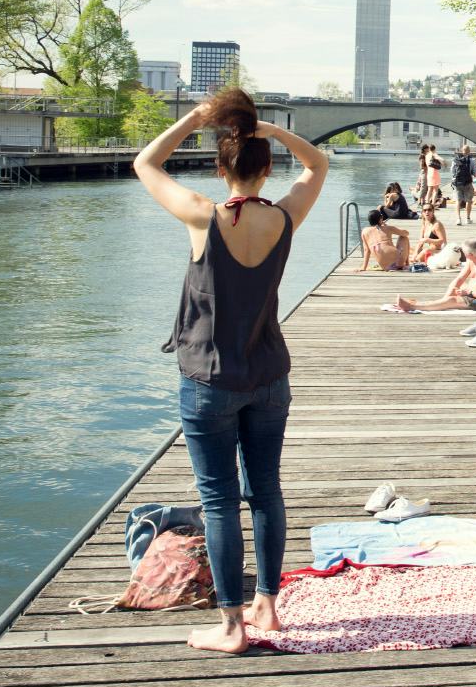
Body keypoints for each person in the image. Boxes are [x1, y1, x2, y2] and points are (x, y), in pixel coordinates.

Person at [131, 86, 328, 653]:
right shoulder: (285, 217)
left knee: (219, 500)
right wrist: (272, 130)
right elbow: (318, 163)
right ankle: (268, 605)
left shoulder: (203, 216)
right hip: (269, 376)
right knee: (265, 491)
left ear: (221, 170)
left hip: (209, 379)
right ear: (267, 169)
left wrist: (194, 119)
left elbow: (145, 163)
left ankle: (231, 627)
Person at [394, 238, 476, 312]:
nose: (461, 253)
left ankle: (411, 306)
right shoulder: (472, 259)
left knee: (451, 301)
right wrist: (447, 295)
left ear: (470, 254)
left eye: (463, 251)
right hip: (474, 293)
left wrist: (469, 293)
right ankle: (439, 303)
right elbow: (460, 279)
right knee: (454, 286)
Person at [451, 143, 476, 225]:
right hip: (467, 183)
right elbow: (475, 174)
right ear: (469, 151)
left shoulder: (455, 160)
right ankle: (468, 219)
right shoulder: (471, 160)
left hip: (458, 183)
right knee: (468, 201)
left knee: (458, 201)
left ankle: (458, 219)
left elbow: (452, 171)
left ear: (462, 151)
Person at [421, 145, 443, 211]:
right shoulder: (433, 154)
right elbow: (439, 159)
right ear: (434, 149)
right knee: (435, 190)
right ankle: (433, 205)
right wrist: (444, 162)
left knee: (429, 190)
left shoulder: (427, 155)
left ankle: (427, 203)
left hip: (429, 173)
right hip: (435, 173)